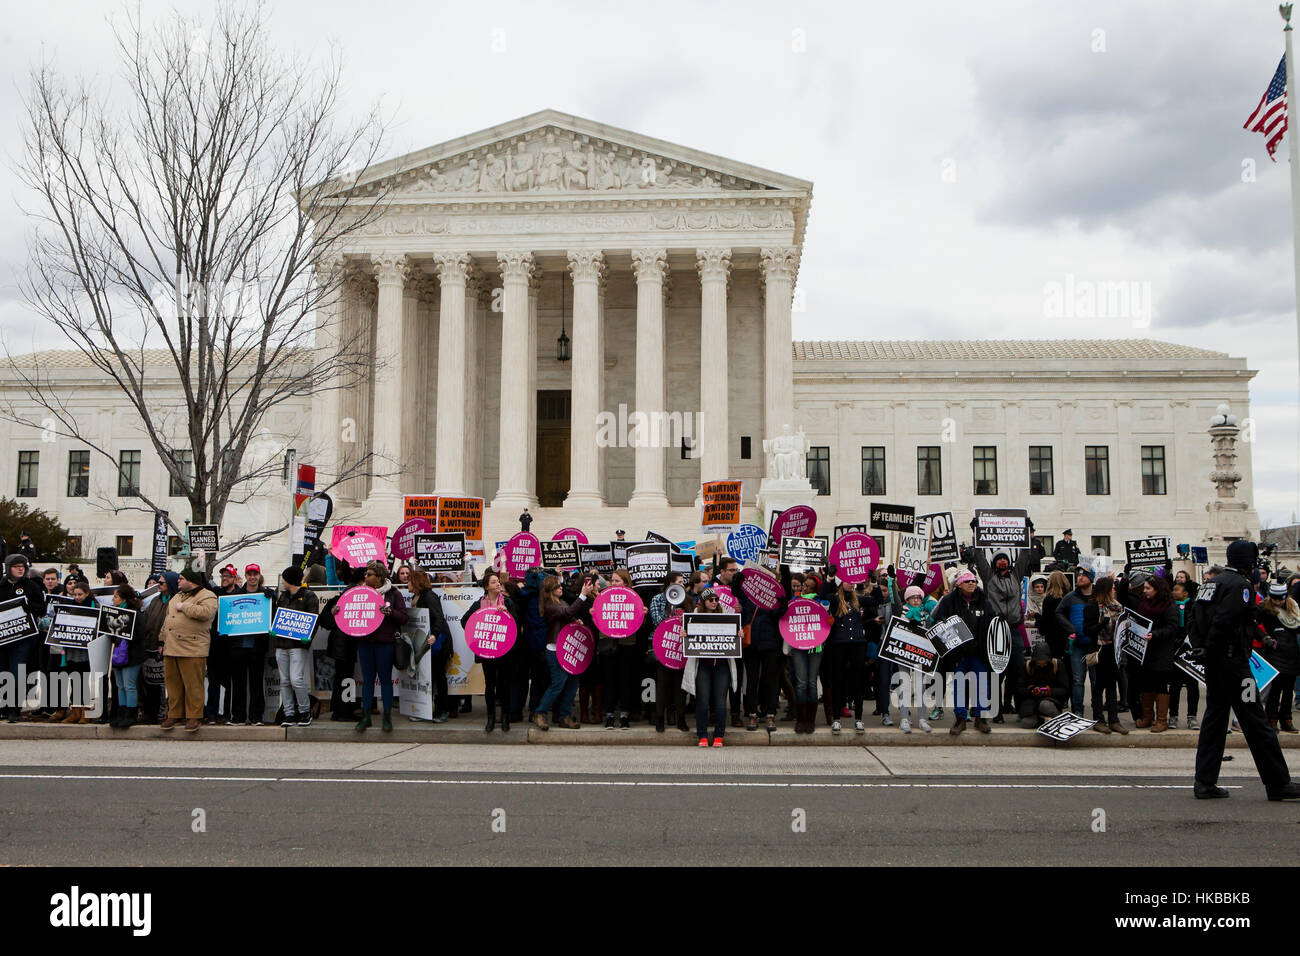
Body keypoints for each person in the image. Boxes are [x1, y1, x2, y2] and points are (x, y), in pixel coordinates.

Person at [1191, 540, 1300, 800]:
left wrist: (1202, 649)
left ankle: (1204, 782)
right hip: (1234, 665)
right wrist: (1214, 648)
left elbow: (1195, 618)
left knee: (1214, 721)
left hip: (1215, 665)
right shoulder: (1240, 586)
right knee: (1256, 721)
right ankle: (1278, 783)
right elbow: (1224, 621)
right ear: (1247, 562)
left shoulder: (1210, 583)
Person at [968, 540, 1043, 720]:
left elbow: (1024, 557)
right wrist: (975, 536)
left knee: (1017, 669)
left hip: (1015, 628)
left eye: (1005, 559)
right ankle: (997, 709)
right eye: (999, 559)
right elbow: (979, 559)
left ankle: (1018, 707)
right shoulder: (988, 577)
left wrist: (1027, 535)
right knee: (996, 671)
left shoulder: (1015, 576)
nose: (1003, 561)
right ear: (994, 562)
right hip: (996, 630)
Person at [933, 569, 996, 735]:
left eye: (973, 581)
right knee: (959, 685)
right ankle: (960, 719)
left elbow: (992, 623)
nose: (971, 583)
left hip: (978, 652)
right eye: (967, 581)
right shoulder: (948, 602)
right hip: (958, 654)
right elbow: (938, 622)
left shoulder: (984, 602)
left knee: (982, 684)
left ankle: (981, 718)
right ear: (959, 584)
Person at [159, 566, 218, 732]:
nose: (178, 581)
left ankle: (194, 716)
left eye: (181, 578)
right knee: (173, 684)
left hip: (192, 647)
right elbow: (168, 619)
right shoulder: (177, 596)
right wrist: (162, 639)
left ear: (191, 581)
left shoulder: (207, 595)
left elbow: (206, 613)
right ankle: (174, 714)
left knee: (193, 684)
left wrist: (183, 607)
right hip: (171, 647)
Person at [535, 572, 597, 730]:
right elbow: (567, 613)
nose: (561, 587)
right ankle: (540, 712)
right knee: (558, 683)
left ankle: (565, 716)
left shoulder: (560, 601)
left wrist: (576, 622)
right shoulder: (550, 605)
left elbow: (568, 616)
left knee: (572, 683)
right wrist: (582, 596)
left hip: (567, 649)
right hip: (555, 649)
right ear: (550, 590)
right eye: (557, 586)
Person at [1122, 573, 1181, 733]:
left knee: (1160, 685)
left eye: (1148, 588)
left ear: (1157, 589)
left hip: (1161, 651)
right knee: (1145, 684)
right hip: (1144, 651)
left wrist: (1155, 634)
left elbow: (1172, 627)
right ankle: (1148, 717)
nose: (1145, 591)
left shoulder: (1169, 605)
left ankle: (1161, 720)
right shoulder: (1144, 604)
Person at [461, 569, 516, 733]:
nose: (498, 583)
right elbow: (465, 621)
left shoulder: (507, 602)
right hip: (487, 652)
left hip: (504, 651)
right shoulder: (479, 604)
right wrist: (478, 624)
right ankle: (491, 717)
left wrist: (507, 614)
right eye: (494, 582)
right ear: (486, 587)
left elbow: (516, 623)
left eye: (498, 581)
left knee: (504, 685)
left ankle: (505, 718)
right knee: (489, 685)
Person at [354, 561, 407, 733]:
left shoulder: (393, 594)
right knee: (368, 680)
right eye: (365, 574)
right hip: (366, 642)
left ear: (379, 578)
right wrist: (338, 610)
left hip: (385, 642)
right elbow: (350, 610)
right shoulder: (361, 593)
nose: (365, 577)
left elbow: (403, 618)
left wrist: (390, 612)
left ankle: (387, 717)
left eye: (369, 574)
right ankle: (366, 717)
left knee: (385, 679)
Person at [681, 587, 736, 747]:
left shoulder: (726, 615)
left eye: (716, 600)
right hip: (703, 665)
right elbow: (690, 640)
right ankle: (702, 735)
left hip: (721, 665)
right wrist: (685, 634)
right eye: (710, 600)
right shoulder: (694, 617)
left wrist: (738, 635)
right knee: (703, 701)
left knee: (720, 702)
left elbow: (733, 637)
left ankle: (719, 735)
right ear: (703, 602)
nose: (714, 602)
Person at [0, 554, 46, 721]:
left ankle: (14, 709)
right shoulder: (2, 586)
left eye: (23, 565)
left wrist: (29, 607)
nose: (20, 568)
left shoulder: (31, 586)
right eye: (16, 566)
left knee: (16, 672)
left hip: (23, 638)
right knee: (3, 673)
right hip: (3, 638)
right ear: (8, 568)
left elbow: (42, 608)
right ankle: (3, 707)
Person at [747, 564, 792, 732]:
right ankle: (752, 713)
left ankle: (770, 714)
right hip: (752, 643)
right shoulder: (750, 595)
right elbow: (741, 604)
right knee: (752, 681)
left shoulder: (777, 596)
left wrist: (781, 606)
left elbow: (780, 613)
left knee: (771, 680)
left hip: (771, 643)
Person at [274, 566, 320, 728]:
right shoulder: (283, 597)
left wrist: (308, 637)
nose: (282, 582)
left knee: (296, 680)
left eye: (284, 578)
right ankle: (289, 713)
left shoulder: (309, 596)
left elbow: (314, 619)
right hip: (281, 644)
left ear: (290, 580)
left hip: (297, 645)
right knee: (285, 681)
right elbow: (276, 615)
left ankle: (304, 711)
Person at [230, 564, 274, 726]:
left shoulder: (265, 594)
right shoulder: (236, 594)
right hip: (238, 646)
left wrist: (272, 598)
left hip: (257, 646)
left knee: (256, 683)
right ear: (246, 575)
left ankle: (257, 716)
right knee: (238, 684)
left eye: (255, 574)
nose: (252, 577)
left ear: (259, 575)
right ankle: (238, 717)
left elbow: (272, 614)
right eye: (249, 574)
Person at [1082, 577, 1127, 734]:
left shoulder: (1117, 607)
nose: (1114, 590)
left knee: (1112, 685)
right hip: (1099, 649)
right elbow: (1087, 629)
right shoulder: (1092, 606)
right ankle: (1099, 719)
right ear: (1105, 590)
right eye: (1112, 587)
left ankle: (1114, 720)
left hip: (1113, 650)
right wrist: (1102, 624)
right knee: (1099, 685)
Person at [891, 584, 937, 733]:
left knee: (921, 686)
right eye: (913, 597)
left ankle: (922, 718)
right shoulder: (902, 610)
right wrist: (892, 581)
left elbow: (931, 625)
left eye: (918, 597)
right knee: (904, 683)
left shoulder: (925, 613)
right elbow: (896, 603)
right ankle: (904, 718)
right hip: (904, 652)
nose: (916, 600)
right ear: (907, 599)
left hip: (920, 653)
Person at [408, 568, 452, 722]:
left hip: (436, 643)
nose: (407, 583)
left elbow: (438, 618)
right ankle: (425, 710)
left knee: (438, 678)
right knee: (427, 678)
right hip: (424, 643)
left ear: (416, 582)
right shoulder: (417, 596)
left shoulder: (429, 596)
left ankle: (441, 711)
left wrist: (434, 634)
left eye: (409, 580)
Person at [648, 572, 689, 733]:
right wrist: (671, 617)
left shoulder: (685, 599)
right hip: (662, 645)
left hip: (679, 645)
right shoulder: (657, 599)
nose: (682, 585)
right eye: (679, 582)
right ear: (671, 583)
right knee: (662, 684)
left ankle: (681, 718)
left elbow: (692, 619)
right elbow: (657, 621)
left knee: (680, 686)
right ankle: (660, 718)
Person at [1257, 581, 1300, 733]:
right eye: (1275, 599)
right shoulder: (1265, 608)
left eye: (1280, 599)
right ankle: (1271, 719)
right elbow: (1252, 623)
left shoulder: (1293, 607)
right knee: (1276, 688)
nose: (1278, 602)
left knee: (1289, 689)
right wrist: (1265, 637)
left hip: (1292, 651)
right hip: (1275, 650)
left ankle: (1286, 720)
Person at [1055, 566, 1095, 715]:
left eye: (1084, 576)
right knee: (1078, 680)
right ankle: (1078, 711)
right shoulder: (1071, 597)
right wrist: (1070, 628)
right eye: (1078, 575)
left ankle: (1096, 710)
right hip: (1077, 645)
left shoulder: (1097, 596)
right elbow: (1058, 613)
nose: (1080, 578)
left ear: (1091, 578)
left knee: (1095, 680)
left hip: (1094, 645)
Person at [107, 584, 146, 729]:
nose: (113, 599)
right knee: (120, 686)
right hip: (118, 654)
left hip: (132, 655)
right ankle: (121, 713)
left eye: (116, 597)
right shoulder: (114, 613)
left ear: (123, 598)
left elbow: (140, 634)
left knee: (129, 686)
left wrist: (124, 634)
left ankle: (131, 714)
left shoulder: (135, 614)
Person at [206, 564, 239, 725]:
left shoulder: (240, 594)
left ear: (234, 578)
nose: (225, 579)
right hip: (214, 644)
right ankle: (211, 713)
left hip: (231, 645)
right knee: (213, 682)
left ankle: (227, 713)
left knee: (229, 683)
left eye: (228, 576)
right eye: (223, 576)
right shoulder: (215, 593)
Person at [1168, 579, 1201, 730]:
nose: (1174, 592)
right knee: (1174, 686)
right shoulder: (1170, 606)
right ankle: (1173, 715)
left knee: (1192, 685)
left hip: (1190, 650)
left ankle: (1192, 716)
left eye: (1176, 590)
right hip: (1175, 650)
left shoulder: (1193, 606)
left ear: (1185, 593)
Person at [1015, 642, 1069, 728]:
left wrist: (1049, 691)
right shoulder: (1028, 666)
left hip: (1050, 700)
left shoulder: (1057, 665)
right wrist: (1031, 690)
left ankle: (1054, 718)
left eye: (1044, 663)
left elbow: (1065, 689)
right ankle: (1042, 720)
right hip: (1031, 702)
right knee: (1026, 723)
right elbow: (1019, 689)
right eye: (1039, 663)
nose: (1041, 665)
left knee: (1044, 705)